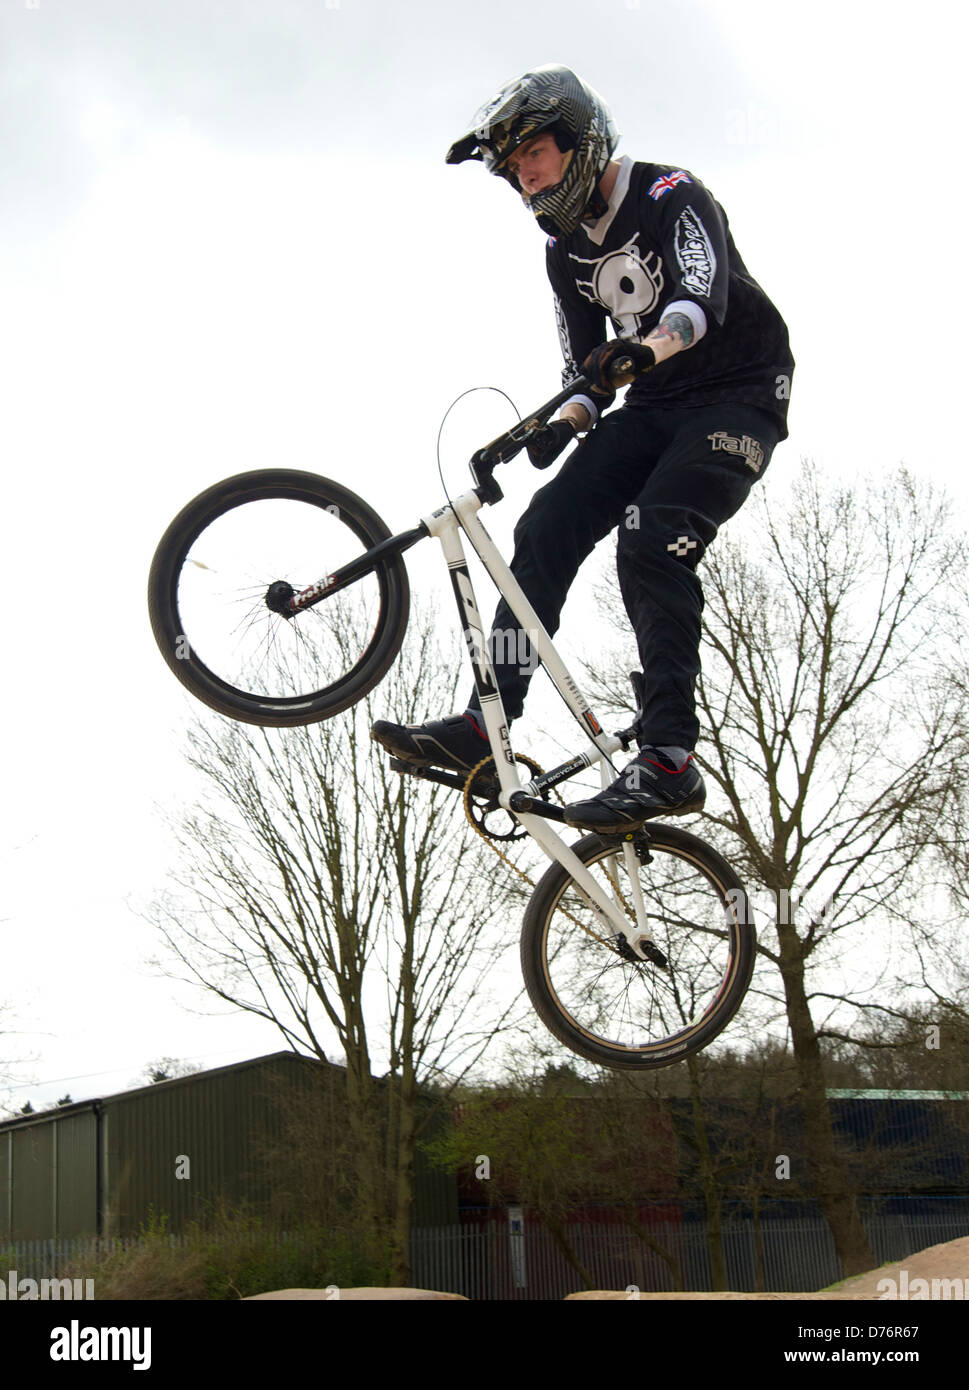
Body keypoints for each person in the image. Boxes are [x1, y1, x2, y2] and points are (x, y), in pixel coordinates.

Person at [372, 65, 794, 834]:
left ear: (579, 138)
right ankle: (485, 722)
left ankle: (669, 757)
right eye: (511, 168)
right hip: (656, 404)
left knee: (649, 542)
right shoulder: (561, 251)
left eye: (531, 153)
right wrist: (554, 422)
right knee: (545, 523)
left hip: (739, 396)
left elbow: (699, 300)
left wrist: (640, 355)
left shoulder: (670, 194)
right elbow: (585, 372)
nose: (522, 176)